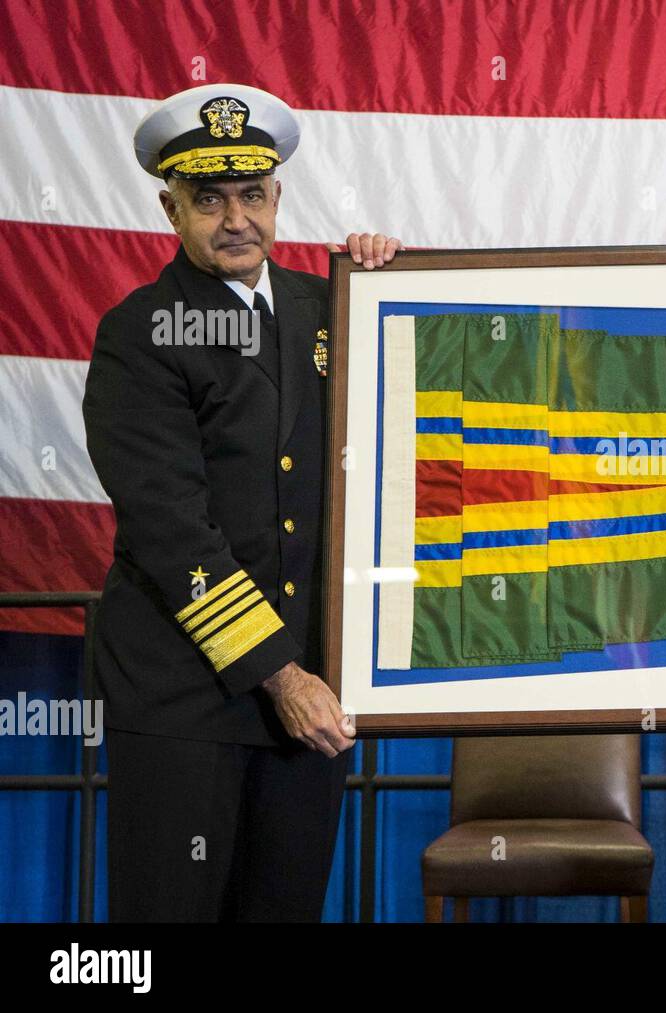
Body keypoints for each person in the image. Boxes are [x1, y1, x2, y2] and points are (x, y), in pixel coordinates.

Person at [83, 83, 401, 921]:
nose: (236, 220)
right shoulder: (140, 332)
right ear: (170, 209)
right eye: (210, 199)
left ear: (278, 198)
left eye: (252, 196)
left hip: (308, 698)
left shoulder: (328, 306)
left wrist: (388, 286)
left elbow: (401, 432)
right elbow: (171, 533)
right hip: (189, 700)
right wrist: (282, 676)